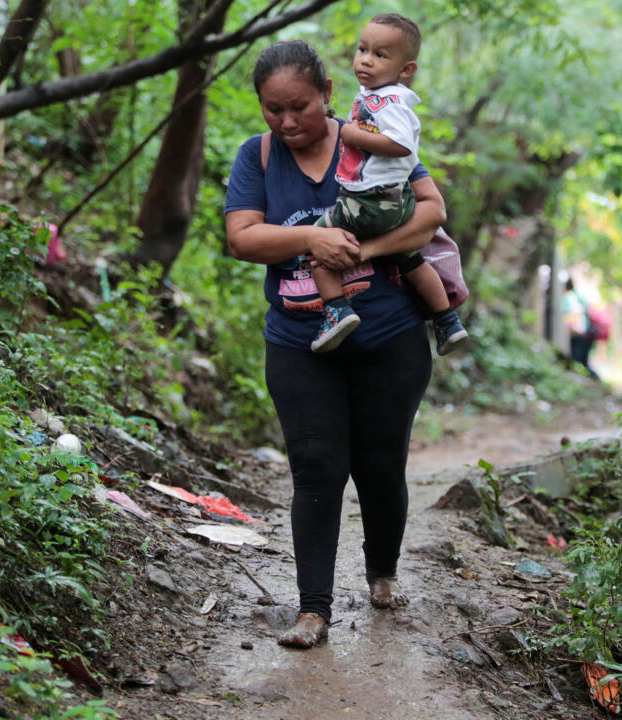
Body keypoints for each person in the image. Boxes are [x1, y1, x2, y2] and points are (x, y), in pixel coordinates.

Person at [223, 40, 446, 649]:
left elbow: (430, 210)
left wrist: (366, 250)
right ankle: (313, 610)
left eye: (300, 106)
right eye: (274, 110)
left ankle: (381, 574)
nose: (288, 122)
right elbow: (242, 238)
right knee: (317, 466)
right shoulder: (258, 157)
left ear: (326, 92)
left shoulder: (370, 135)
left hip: (389, 335)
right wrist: (311, 243)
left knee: (379, 465)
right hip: (300, 341)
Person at [308, 13, 468, 355]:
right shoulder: (377, 96)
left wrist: (353, 133)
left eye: (380, 55)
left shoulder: (388, 101)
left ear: (406, 69)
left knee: (318, 244)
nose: (366, 59)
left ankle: (336, 310)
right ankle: (446, 319)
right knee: (410, 258)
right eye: (363, 49)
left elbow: (401, 144)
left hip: (370, 203)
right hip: (396, 203)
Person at [563, 278, 600, 380]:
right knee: (583, 361)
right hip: (587, 333)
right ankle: (595, 380)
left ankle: (592, 380)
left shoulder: (569, 297)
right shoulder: (579, 296)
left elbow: (572, 316)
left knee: (578, 361)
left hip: (578, 333)